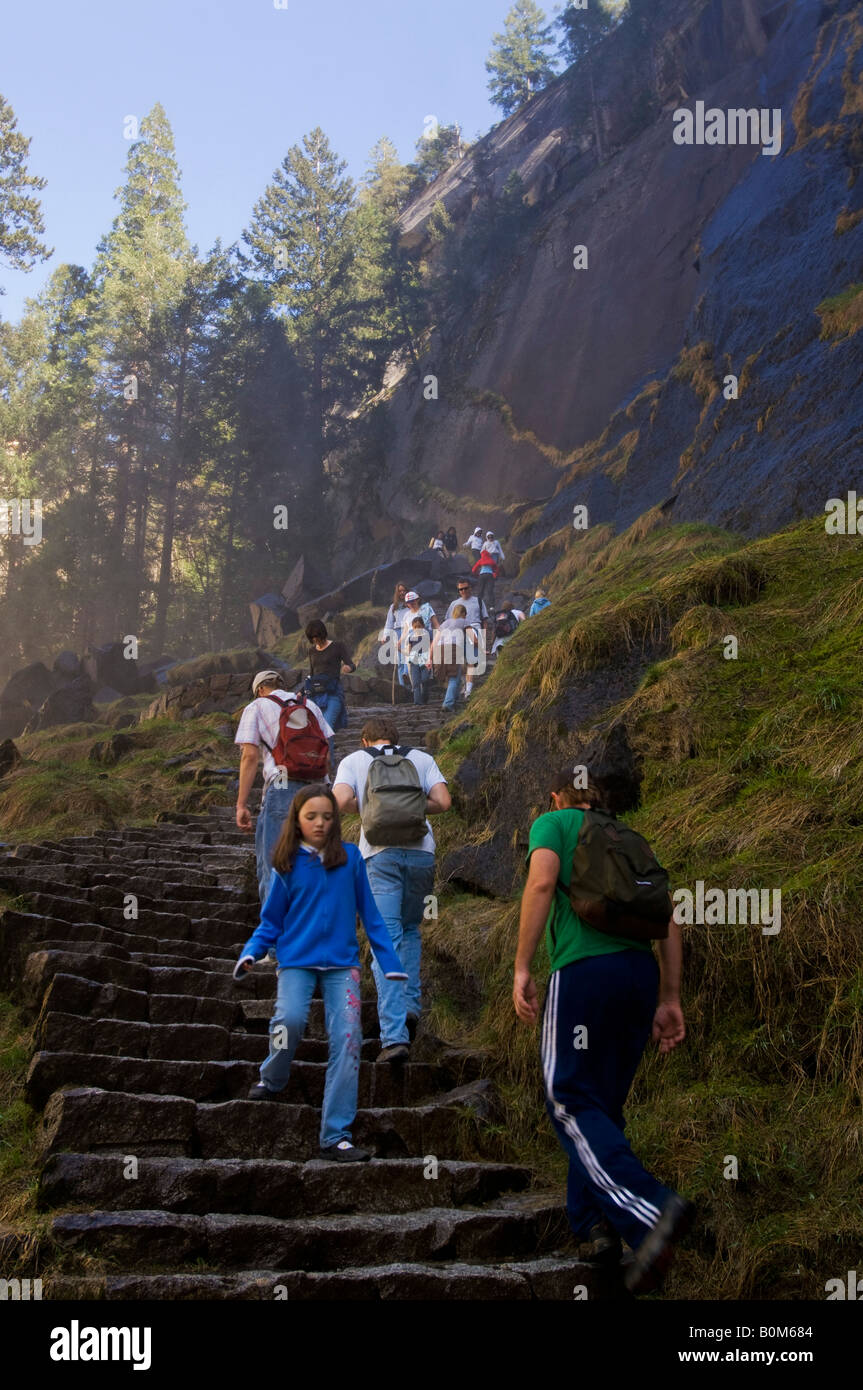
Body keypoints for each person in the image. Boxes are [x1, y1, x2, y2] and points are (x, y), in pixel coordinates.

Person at [513, 770, 693, 1294]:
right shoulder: (630, 838)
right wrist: (669, 998)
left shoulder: (552, 823)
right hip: (638, 980)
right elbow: (670, 917)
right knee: (601, 1108)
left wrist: (523, 966)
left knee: (568, 1098)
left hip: (584, 975)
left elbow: (542, 882)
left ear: (554, 796)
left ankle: (653, 1210)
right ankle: (596, 1229)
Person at [234, 785, 408, 1162]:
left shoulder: (351, 859)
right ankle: (274, 1077)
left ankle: (336, 1135)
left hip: (343, 967)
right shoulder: (287, 863)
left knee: (348, 1040)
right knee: (290, 1020)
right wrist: (251, 953)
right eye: (311, 816)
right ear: (296, 819)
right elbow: (270, 922)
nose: (320, 823)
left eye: (327, 817)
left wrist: (392, 964)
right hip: (295, 961)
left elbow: (372, 918)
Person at [333, 717, 451, 1062]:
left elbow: (339, 801)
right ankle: (411, 1007)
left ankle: (394, 1037)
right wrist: (412, 808)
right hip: (421, 855)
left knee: (386, 939)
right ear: (395, 737)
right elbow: (443, 802)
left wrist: (370, 809)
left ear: (364, 739)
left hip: (379, 856)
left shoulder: (355, 760)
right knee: (411, 929)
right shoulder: (422, 758)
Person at [235, 670, 335, 904]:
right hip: (317, 791)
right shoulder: (309, 705)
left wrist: (241, 804)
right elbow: (327, 751)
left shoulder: (257, 706)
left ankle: (276, 938)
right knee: (312, 868)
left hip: (282, 787)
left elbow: (249, 756)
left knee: (275, 869)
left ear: (260, 690)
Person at [305, 620, 355, 759]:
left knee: (326, 728)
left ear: (323, 634)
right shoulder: (311, 651)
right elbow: (312, 673)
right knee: (317, 731)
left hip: (333, 694)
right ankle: (324, 766)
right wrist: (302, 691)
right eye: (313, 639)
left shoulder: (337, 646)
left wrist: (349, 668)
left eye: (318, 638)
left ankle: (327, 767)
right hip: (315, 696)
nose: (316, 641)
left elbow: (351, 664)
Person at [445, 579, 489, 697]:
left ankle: (468, 690)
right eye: (461, 589)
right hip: (458, 632)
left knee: (471, 661)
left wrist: (483, 636)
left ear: (470, 588)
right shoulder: (453, 604)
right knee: (461, 662)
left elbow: (484, 619)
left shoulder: (478, 601)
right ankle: (465, 685)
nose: (463, 591)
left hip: (474, 629)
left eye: (465, 588)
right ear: (458, 590)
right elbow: (448, 621)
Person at [430, 604, 478, 712]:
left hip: (439, 650)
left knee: (455, 675)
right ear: (463, 614)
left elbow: (434, 642)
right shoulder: (463, 621)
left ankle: (455, 700)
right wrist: (482, 650)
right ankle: (448, 703)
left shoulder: (444, 624)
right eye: (465, 615)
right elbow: (474, 639)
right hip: (453, 649)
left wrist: (430, 658)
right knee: (454, 677)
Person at [381, 582, 410, 690]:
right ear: (397, 593)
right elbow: (389, 622)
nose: (402, 592)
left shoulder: (410, 604)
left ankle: (407, 675)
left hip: (408, 632)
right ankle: (403, 687)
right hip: (397, 632)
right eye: (400, 591)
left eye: (404, 590)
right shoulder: (393, 607)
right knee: (400, 659)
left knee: (408, 655)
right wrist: (385, 636)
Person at [406, 614, 432, 706]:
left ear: (423, 626)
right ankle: (417, 702)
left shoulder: (427, 634)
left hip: (425, 660)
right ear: (413, 627)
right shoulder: (411, 636)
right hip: (414, 660)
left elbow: (431, 646)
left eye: (419, 626)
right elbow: (409, 647)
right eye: (415, 627)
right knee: (416, 682)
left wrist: (430, 659)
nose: (417, 629)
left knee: (425, 679)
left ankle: (425, 698)